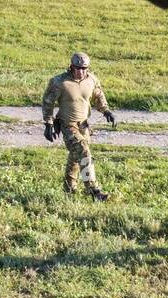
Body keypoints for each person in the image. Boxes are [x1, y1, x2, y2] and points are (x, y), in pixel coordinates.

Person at [42, 52, 116, 200]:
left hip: (84, 125)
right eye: (77, 68)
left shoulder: (91, 80)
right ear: (71, 67)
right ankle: (93, 191)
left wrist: (106, 111)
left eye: (84, 68)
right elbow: (48, 102)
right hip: (67, 125)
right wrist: (48, 123)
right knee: (84, 151)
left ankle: (69, 189)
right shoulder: (59, 82)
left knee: (76, 156)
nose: (80, 71)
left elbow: (98, 96)